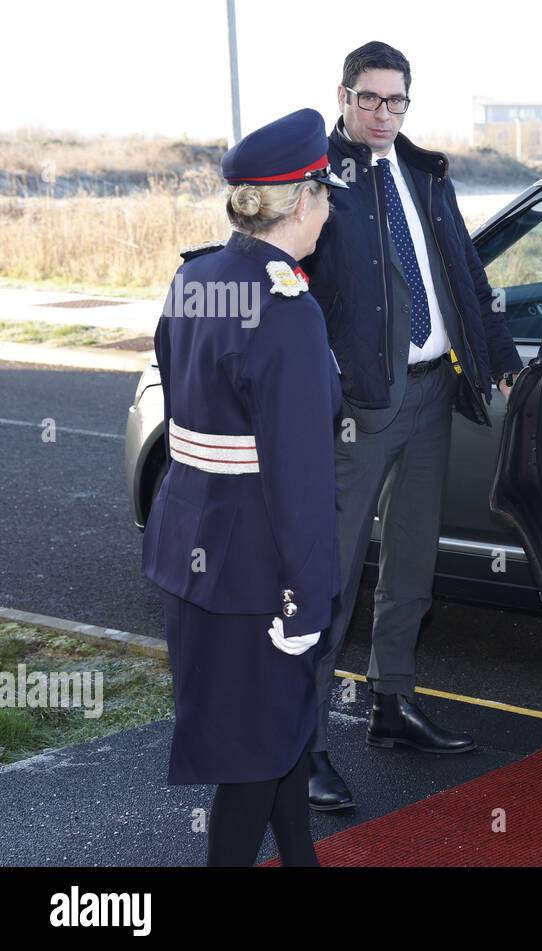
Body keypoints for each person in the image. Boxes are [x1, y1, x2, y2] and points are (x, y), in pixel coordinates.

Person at [300, 41, 523, 812]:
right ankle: (302, 743)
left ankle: (391, 704)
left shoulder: (426, 173)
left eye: (396, 101)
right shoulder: (316, 176)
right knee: (327, 579)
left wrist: (499, 356)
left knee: (410, 567)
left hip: (434, 394)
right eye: (370, 99)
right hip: (361, 406)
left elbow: (465, 268)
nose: (384, 114)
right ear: (343, 95)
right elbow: (287, 283)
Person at [141, 108, 349, 865]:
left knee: (275, 729)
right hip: (258, 571)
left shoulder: (196, 277)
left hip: (193, 548)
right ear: (301, 202)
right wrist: (308, 597)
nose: (329, 212)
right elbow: (298, 479)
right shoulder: (287, 311)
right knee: (254, 758)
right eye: (326, 196)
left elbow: (182, 407)